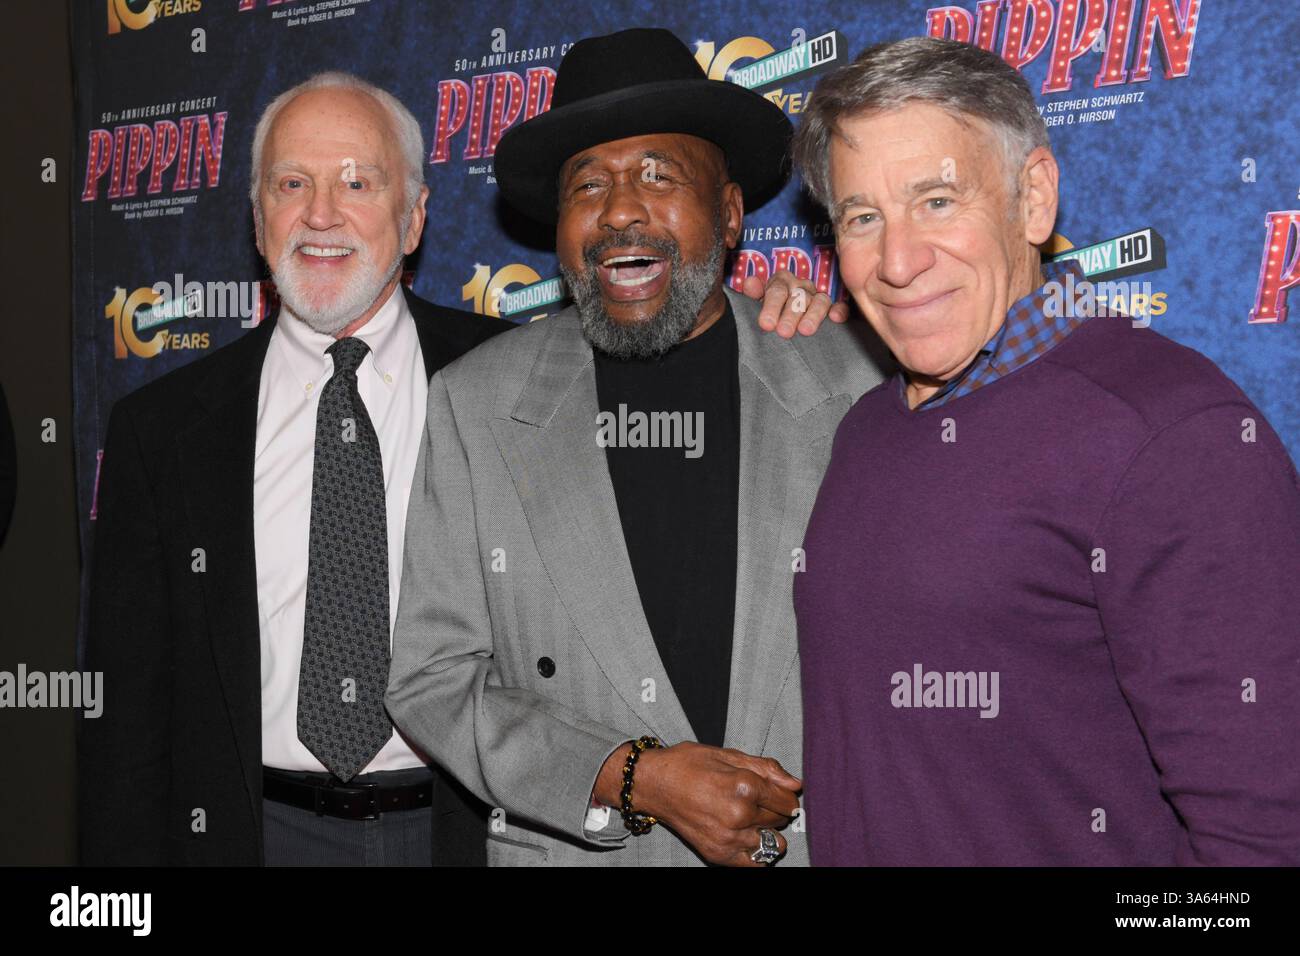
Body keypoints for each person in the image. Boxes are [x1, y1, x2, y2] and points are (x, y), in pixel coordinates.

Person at [791, 36, 1300, 865]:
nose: (898, 262)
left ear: (1032, 198)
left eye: (937, 202)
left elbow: (1266, 842)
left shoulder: (1171, 435)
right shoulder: (867, 426)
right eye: (862, 217)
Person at [386, 27, 887, 867]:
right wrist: (633, 777)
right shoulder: (476, 405)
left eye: (659, 174)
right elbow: (432, 678)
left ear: (731, 213)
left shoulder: (856, 385)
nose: (620, 209)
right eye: (589, 184)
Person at [79, 72, 512, 866]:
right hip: (252, 838)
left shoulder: (518, 379)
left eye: (357, 182)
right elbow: (127, 719)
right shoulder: (160, 431)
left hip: (470, 838)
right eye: (291, 184)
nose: (320, 214)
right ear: (257, 219)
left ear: (414, 217)